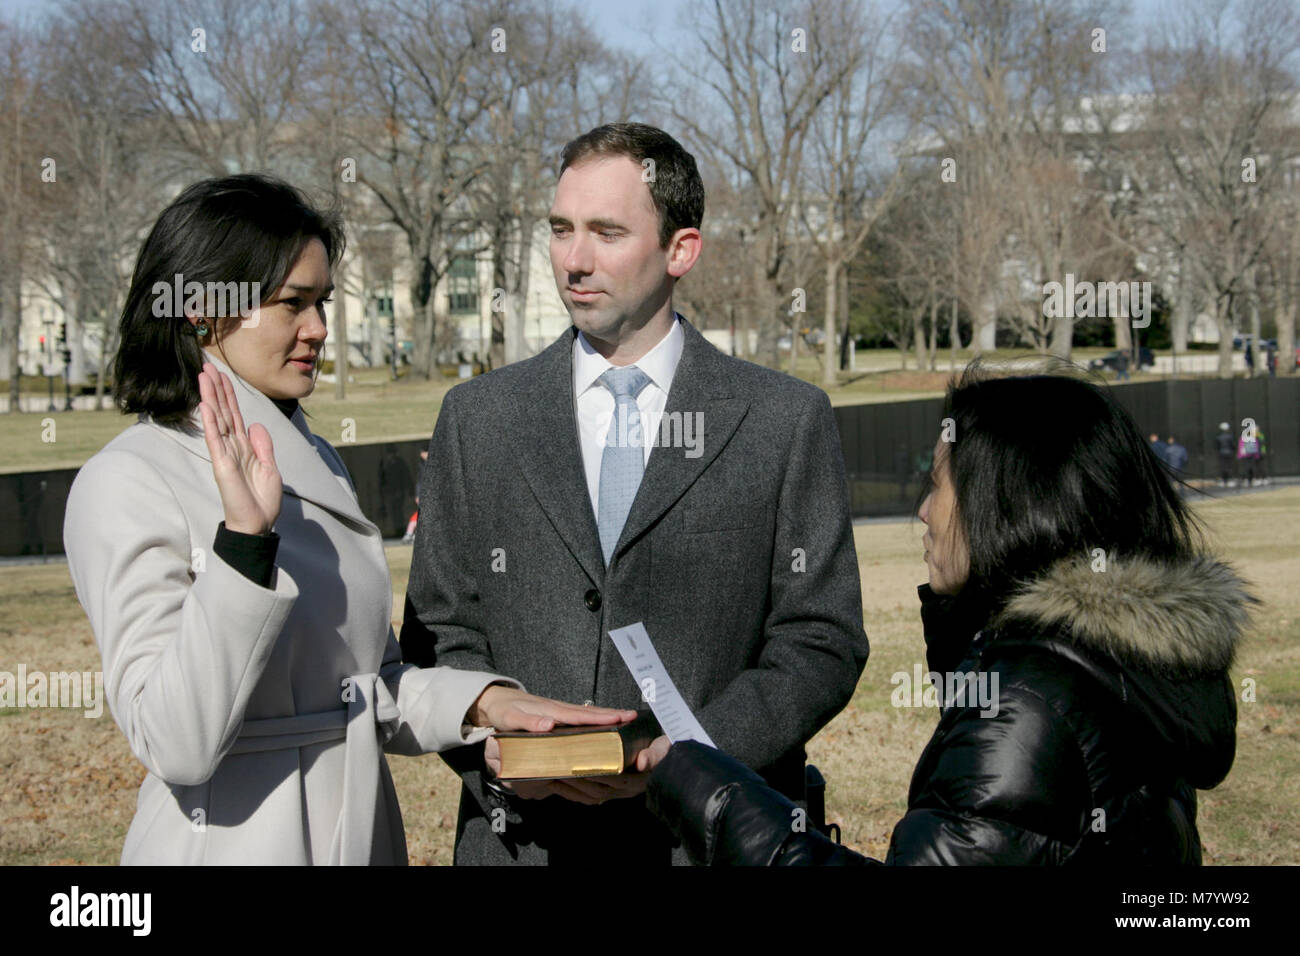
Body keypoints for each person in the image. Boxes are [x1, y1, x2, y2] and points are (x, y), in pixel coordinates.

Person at [62, 174, 631, 865]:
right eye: (292, 304)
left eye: (323, 302)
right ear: (204, 312)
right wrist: (244, 543)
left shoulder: (313, 458)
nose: (319, 330)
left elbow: (366, 687)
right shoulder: (128, 480)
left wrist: (489, 705)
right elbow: (175, 741)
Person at [399, 122, 869, 865]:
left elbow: (821, 640)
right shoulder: (479, 417)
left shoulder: (782, 419)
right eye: (561, 230)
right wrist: (492, 743)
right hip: (521, 842)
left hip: (706, 840)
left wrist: (693, 758)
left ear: (681, 249)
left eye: (606, 233)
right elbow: (437, 628)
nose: (574, 261)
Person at [644, 365, 1255, 865]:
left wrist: (715, 795)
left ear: (1005, 503)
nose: (924, 512)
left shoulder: (1028, 706)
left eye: (938, 485)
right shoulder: (1116, 663)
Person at [1215, 422, 1236, 486]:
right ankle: (1229, 480)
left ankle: (1224, 481)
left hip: (1221, 453)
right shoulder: (1230, 436)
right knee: (1229, 466)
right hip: (1229, 453)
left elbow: (1217, 446)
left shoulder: (1218, 437)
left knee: (1223, 467)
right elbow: (1233, 445)